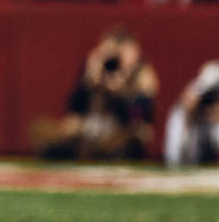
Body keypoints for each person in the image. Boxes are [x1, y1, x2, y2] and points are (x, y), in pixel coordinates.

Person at [34, 27, 157, 160]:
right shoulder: (96, 70)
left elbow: (138, 119)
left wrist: (117, 91)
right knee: (42, 129)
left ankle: (94, 152)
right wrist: (89, 81)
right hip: (90, 129)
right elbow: (73, 109)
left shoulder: (142, 75)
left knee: (132, 136)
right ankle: (78, 150)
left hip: (119, 132)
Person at [164, 60, 219, 167]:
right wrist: (187, 120)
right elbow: (173, 159)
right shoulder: (187, 114)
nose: (212, 104)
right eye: (210, 98)